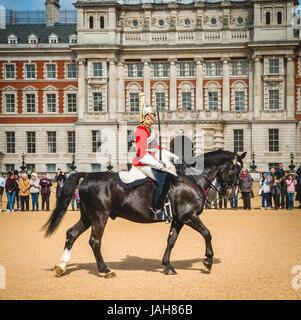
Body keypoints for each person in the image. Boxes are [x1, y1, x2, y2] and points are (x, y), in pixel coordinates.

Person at [132, 93, 178, 221]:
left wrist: (171, 155)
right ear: (147, 116)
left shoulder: (150, 131)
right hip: (142, 163)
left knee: (168, 174)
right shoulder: (141, 130)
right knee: (162, 179)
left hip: (150, 161)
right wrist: (156, 164)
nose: (154, 117)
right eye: (153, 115)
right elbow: (141, 153)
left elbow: (157, 148)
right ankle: (157, 209)